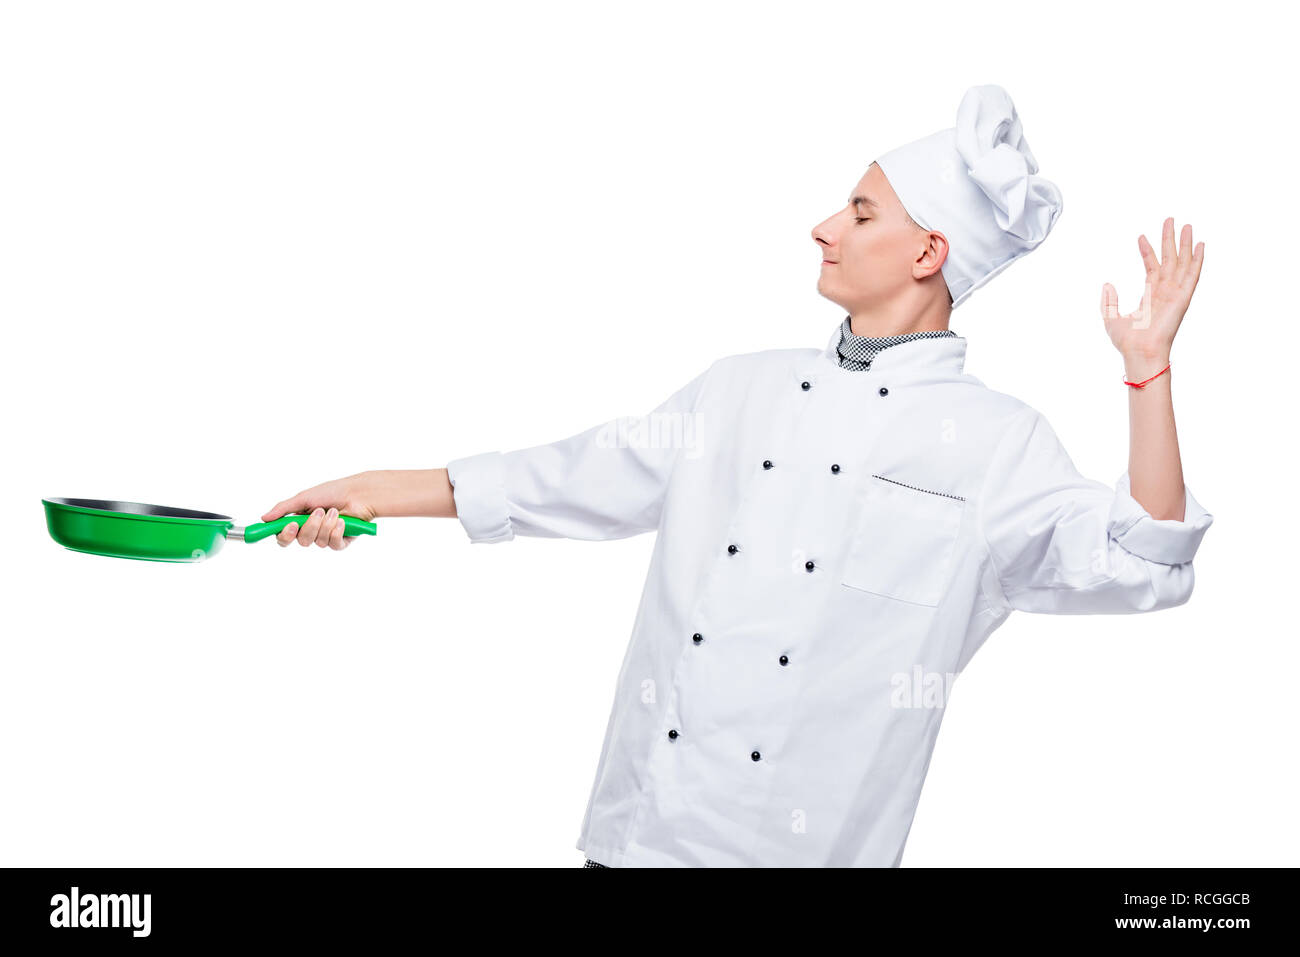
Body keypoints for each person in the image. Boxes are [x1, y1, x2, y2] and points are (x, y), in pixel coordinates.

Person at [261, 85, 1213, 867]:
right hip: (631, 842)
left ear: (929, 252)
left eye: (860, 211)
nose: (823, 226)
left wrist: (1146, 373)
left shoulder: (995, 444)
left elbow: (1147, 563)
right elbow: (561, 477)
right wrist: (372, 488)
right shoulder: (739, 389)